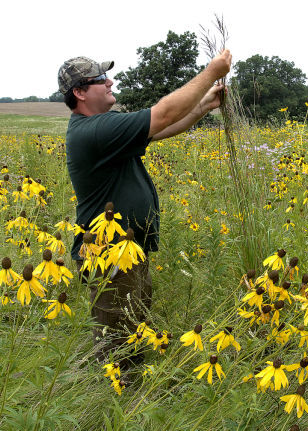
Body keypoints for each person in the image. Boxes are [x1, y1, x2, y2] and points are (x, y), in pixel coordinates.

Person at [57, 50, 232, 362]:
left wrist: (203, 106)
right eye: (99, 80)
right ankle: (111, 395)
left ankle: (127, 386)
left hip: (125, 248)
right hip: (108, 252)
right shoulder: (94, 131)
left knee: (132, 321)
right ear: (80, 93)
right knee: (115, 334)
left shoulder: (103, 128)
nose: (109, 82)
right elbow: (162, 114)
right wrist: (212, 70)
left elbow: (160, 129)